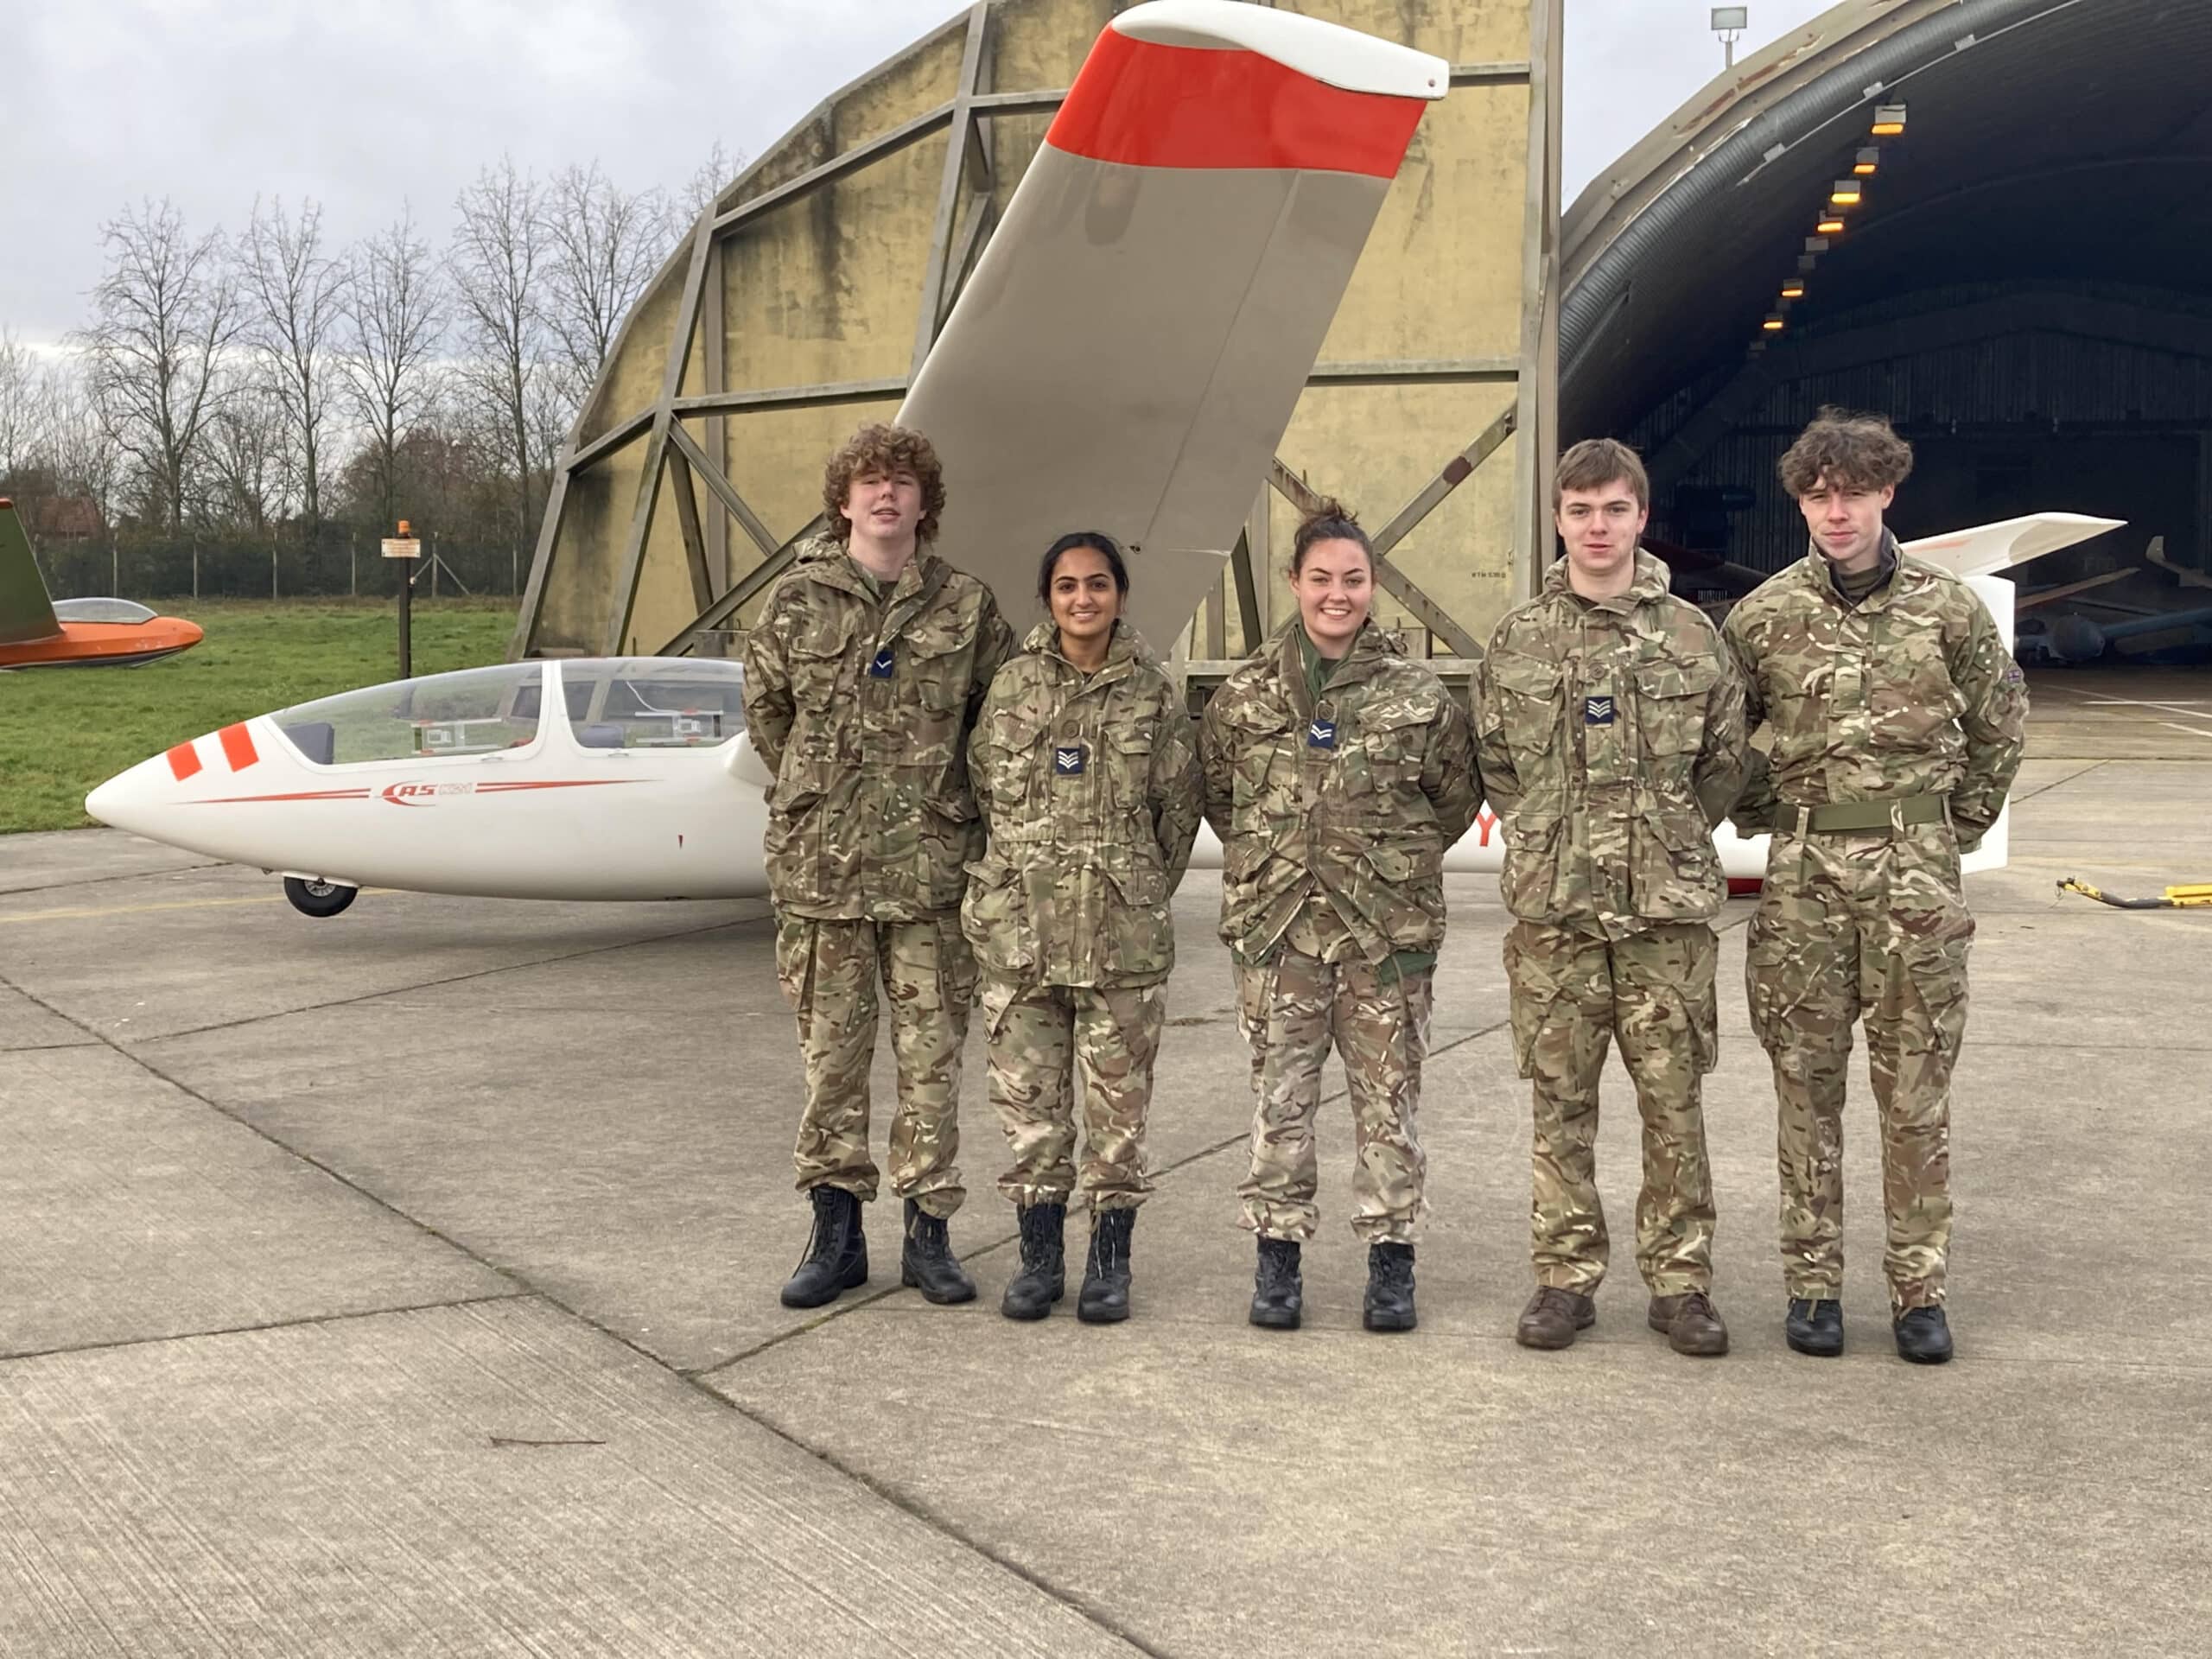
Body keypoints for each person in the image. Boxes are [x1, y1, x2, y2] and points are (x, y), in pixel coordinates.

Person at [1724, 407, 2027, 1364]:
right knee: (1804, 1090)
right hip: (1804, 887)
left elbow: (2000, 728)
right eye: (1818, 494)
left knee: (1914, 1096)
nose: (1836, 509)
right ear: (1800, 501)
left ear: (1887, 492)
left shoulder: (1947, 610)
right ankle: (1811, 1285)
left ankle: (1917, 1290)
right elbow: (1723, 741)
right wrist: (1772, 813)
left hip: (1914, 886)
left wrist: (1947, 833)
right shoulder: (1764, 617)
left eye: (1852, 490)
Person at [1475, 439, 1748, 1358]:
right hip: (1555, 917)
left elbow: (1722, 766)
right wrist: (1556, 838)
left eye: (1614, 510)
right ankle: (1563, 1278)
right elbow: (1497, 768)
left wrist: (1660, 841)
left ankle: (1681, 1285)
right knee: (1560, 1104)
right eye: (1581, 510)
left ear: (1642, 516)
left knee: (1674, 1105)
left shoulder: (1691, 638)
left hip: (1663, 920)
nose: (1598, 527)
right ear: (1558, 519)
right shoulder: (1517, 641)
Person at [742, 423, 1017, 1311]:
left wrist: (940, 812)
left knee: (932, 1060)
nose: (886, 495)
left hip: (931, 877)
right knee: (832, 1061)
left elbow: (997, 724)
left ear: (925, 502)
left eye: (902, 482)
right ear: (844, 500)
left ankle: (929, 1234)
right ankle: (836, 1235)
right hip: (823, 873)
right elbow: (769, 720)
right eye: (869, 482)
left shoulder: (966, 609)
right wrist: (829, 799)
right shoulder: (792, 603)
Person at [1199, 499, 1480, 1333]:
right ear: (1294, 583)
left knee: (1389, 1106)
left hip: (1383, 942)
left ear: (1373, 586)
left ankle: (1390, 1263)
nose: (1337, 594)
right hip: (1278, 936)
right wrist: (1285, 864)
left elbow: (1453, 800)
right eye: (1320, 578)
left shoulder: (1418, 696)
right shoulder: (1245, 696)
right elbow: (1222, 798)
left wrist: (1381, 868)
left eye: (1353, 579)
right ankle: (1277, 1262)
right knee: (1279, 1103)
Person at [963, 532, 1203, 1323]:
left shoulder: (1154, 695)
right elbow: (980, 792)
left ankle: (1109, 1262)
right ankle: (1037, 1260)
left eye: (1097, 585)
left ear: (1120, 595)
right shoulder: (1011, 688)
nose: (1082, 599)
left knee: (1117, 1116)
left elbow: (1178, 812)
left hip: (1120, 941)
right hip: (1021, 938)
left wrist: (1130, 889)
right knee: (1030, 1111)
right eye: (1066, 586)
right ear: (1049, 598)